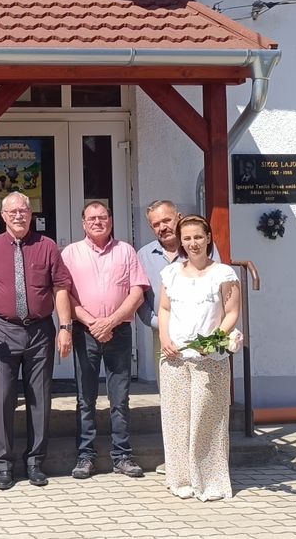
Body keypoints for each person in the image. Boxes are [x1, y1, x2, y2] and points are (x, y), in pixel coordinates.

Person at [0, 191, 74, 490]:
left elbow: (60, 288)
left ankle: (35, 462)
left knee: (40, 398)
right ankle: (4, 465)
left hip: (40, 331)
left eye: (23, 211)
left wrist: (65, 327)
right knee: (2, 399)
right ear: (2, 216)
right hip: (4, 331)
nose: (18, 216)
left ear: (31, 214)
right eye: (12, 212)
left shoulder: (46, 246)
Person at [61, 201, 149, 479]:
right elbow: (64, 294)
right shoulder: (70, 253)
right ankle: (85, 456)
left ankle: (122, 456)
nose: (97, 222)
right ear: (83, 223)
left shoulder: (126, 251)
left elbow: (137, 293)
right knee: (85, 398)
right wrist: (92, 322)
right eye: (92, 218)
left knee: (119, 398)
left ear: (111, 220)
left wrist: (110, 321)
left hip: (119, 332)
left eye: (102, 217)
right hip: (84, 332)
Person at [159, 214, 241, 501]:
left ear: (208, 238)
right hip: (175, 357)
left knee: (208, 420)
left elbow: (231, 313)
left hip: (209, 359)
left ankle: (210, 480)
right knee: (177, 420)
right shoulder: (170, 273)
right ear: (180, 242)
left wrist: (214, 340)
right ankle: (181, 478)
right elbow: (165, 309)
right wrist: (164, 338)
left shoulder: (223, 273)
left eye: (198, 237)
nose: (193, 243)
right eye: (187, 238)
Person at [136, 200, 220, 331]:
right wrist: (157, 323)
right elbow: (140, 297)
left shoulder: (201, 247)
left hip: (202, 330)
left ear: (179, 218)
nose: (162, 227)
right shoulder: (144, 256)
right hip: (163, 332)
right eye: (156, 224)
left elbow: (217, 285)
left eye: (166, 220)